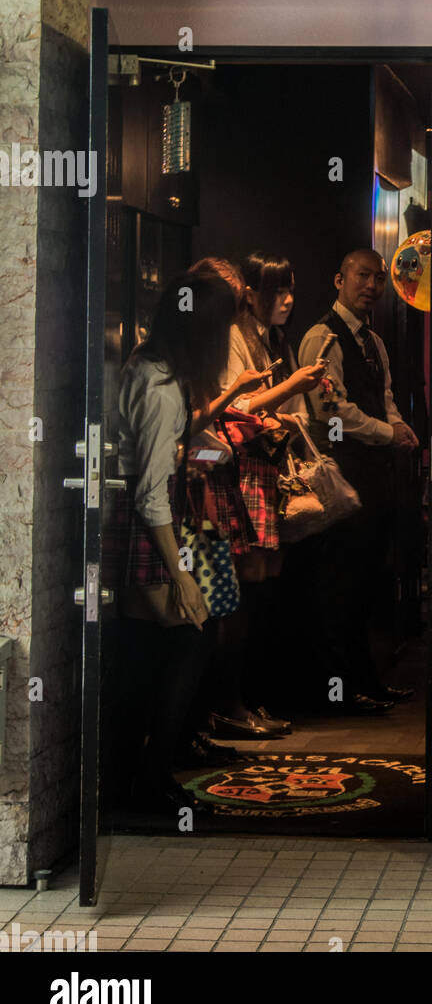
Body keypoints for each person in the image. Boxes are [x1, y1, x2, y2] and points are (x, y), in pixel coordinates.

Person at [109, 270, 237, 815]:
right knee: (190, 636)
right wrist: (180, 574)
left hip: (142, 518)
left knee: (142, 651)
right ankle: (152, 779)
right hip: (147, 522)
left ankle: (126, 781)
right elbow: (150, 494)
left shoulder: (148, 359)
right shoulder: (161, 385)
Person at [210, 252, 328, 739]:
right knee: (243, 586)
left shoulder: (269, 337)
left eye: (290, 289)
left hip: (264, 466)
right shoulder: (236, 335)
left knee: (262, 586)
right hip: (241, 467)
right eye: (278, 291)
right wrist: (291, 389)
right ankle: (226, 704)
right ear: (251, 293)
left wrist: (295, 397)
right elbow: (235, 408)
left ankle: (244, 699)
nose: (288, 300)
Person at [297, 248, 419, 713]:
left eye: (378, 279)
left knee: (368, 582)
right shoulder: (322, 337)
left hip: (377, 478)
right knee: (338, 586)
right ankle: (338, 692)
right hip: (342, 478)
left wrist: (398, 427)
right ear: (339, 279)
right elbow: (331, 413)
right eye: (362, 276)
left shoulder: (376, 342)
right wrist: (388, 432)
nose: (371, 285)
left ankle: (366, 680)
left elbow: (384, 398)